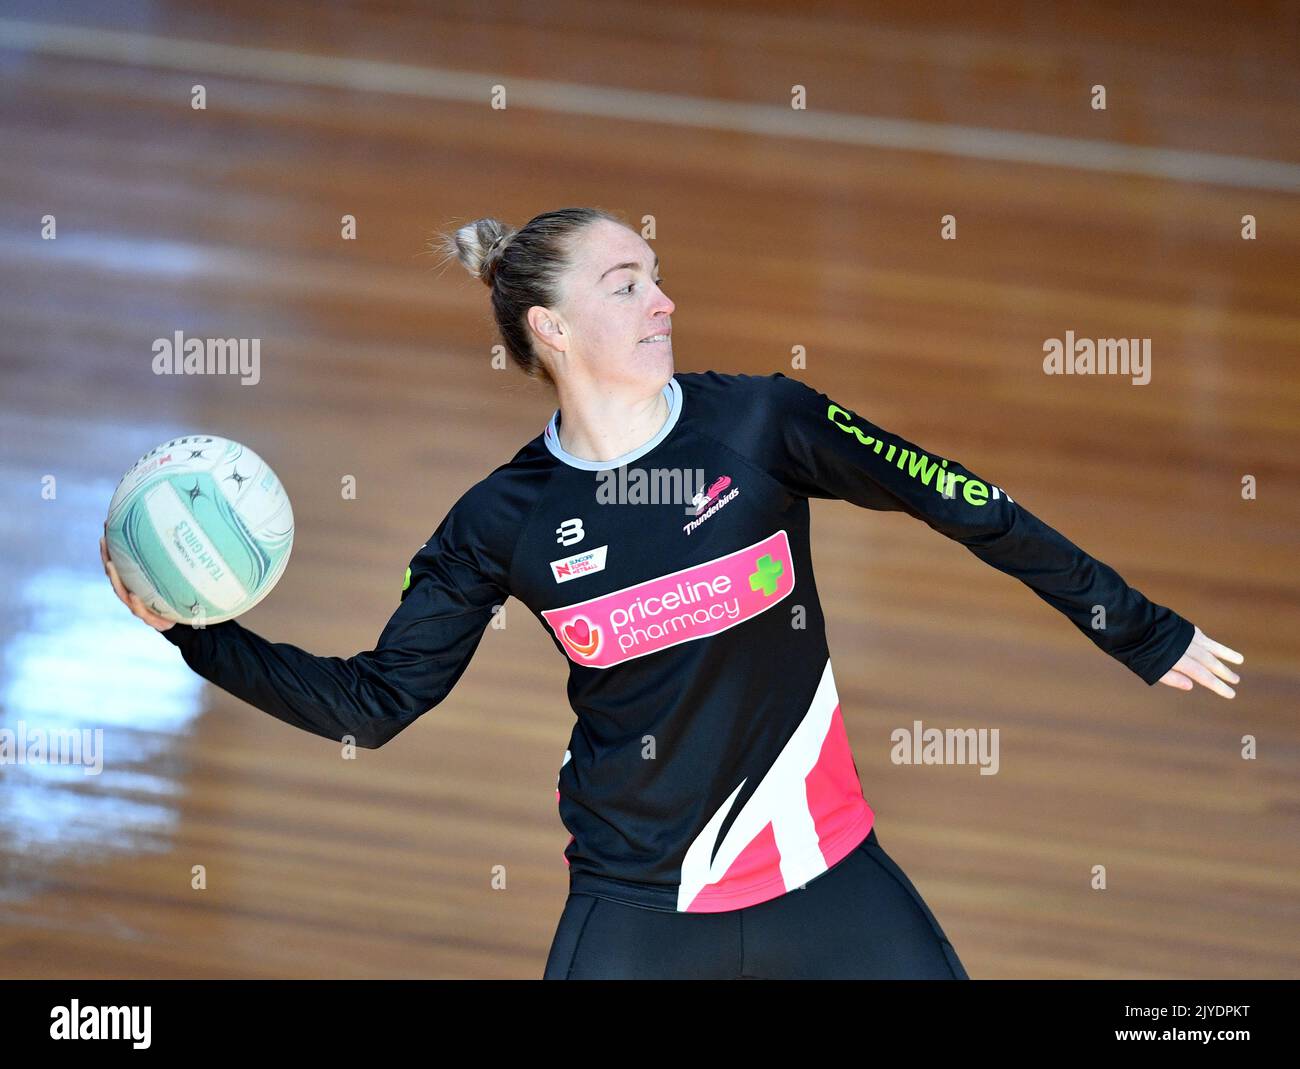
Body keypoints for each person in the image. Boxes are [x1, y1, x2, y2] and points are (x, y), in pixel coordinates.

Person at [101, 207, 1244, 980]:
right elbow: (375, 703)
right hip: (637, 909)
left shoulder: (763, 424)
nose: (664, 301)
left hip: (826, 876)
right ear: (549, 327)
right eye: (628, 283)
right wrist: (199, 638)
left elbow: (966, 501)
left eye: (656, 278)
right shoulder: (500, 522)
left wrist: (1138, 631)